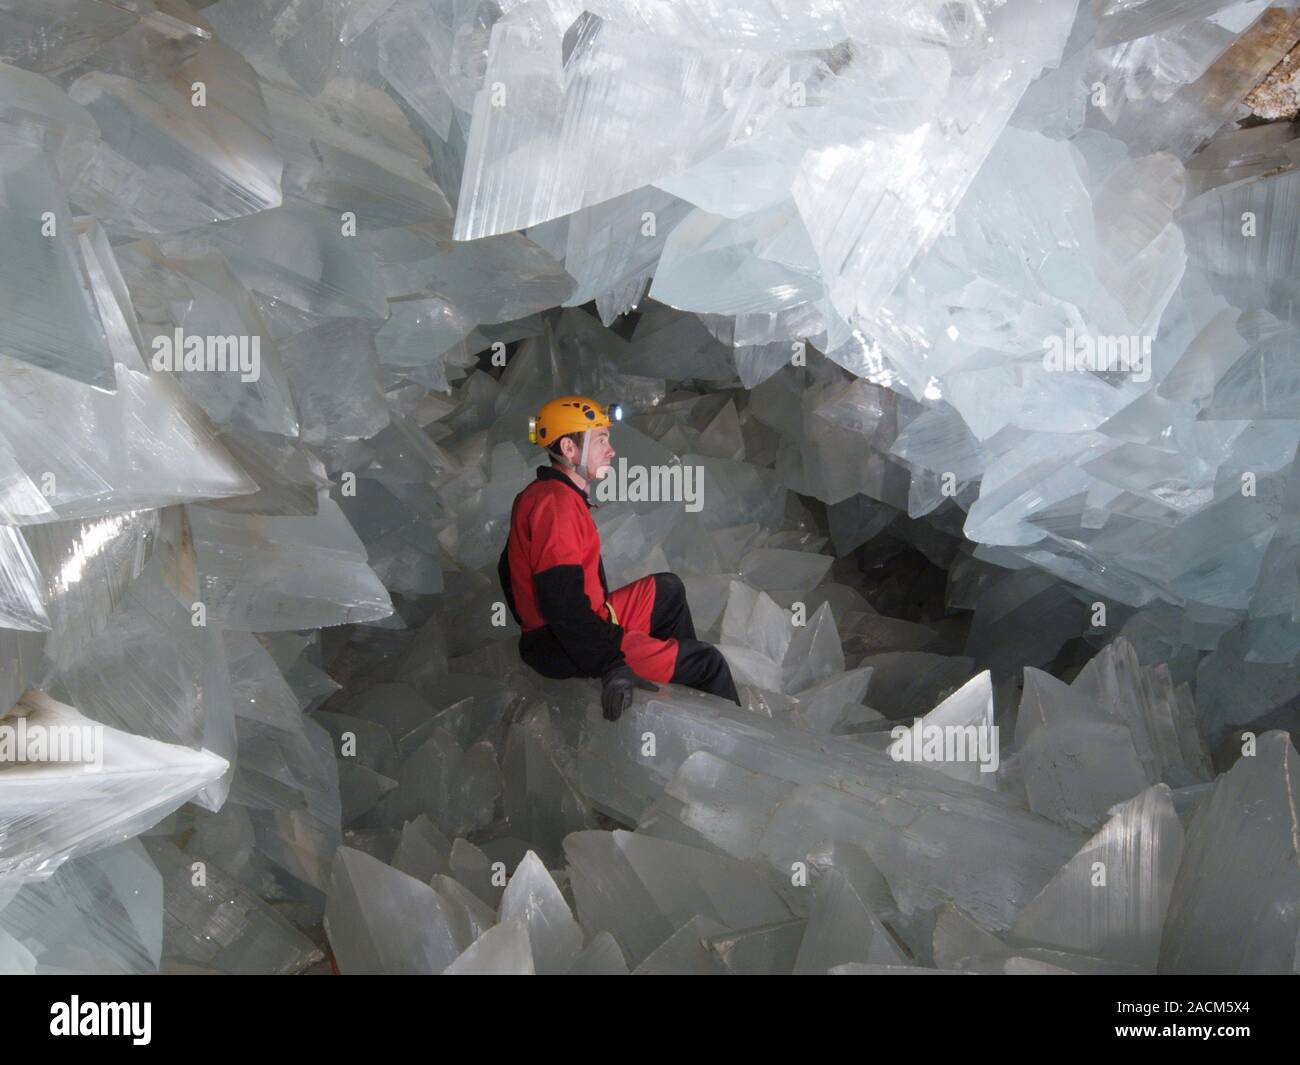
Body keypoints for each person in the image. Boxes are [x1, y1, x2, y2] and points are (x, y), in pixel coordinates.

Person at [498, 395, 740, 720]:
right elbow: (563, 603)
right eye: (601, 440)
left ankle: (674, 696)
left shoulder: (545, 494)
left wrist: (531, 621)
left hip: (578, 624)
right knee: (707, 662)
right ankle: (725, 746)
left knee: (667, 590)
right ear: (569, 449)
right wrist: (610, 663)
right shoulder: (557, 506)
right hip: (564, 643)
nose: (611, 450)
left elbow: (506, 567)